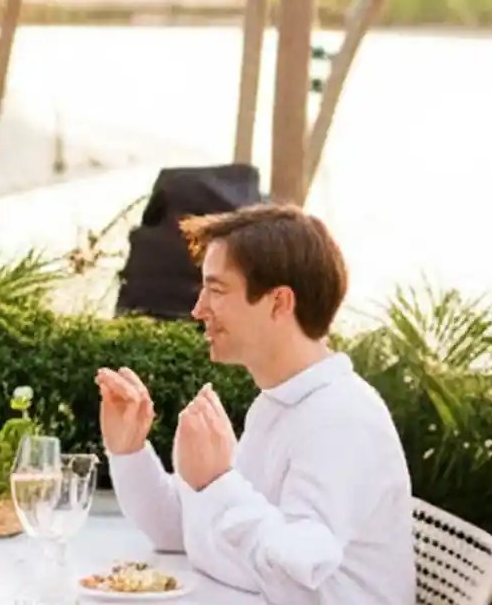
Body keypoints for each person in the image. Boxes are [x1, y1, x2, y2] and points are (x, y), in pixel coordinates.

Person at [96, 204, 414, 604]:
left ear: (279, 302)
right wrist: (128, 452)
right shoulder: (280, 401)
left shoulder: (343, 420)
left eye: (217, 290)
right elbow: (184, 530)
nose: (198, 310)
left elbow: (299, 572)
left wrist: (219, 485)